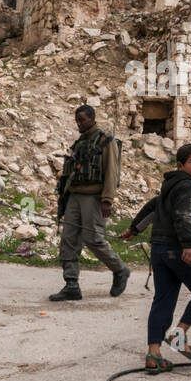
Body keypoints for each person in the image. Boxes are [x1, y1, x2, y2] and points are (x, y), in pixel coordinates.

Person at [120, 143, 191, 374]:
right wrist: (189, 245)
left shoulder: (169, 187)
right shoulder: (189, 188)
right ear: (181, 165)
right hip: (176, 249)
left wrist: (134, 229)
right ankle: (177, 334)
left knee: (163, 299)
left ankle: (153, 354)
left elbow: (152, 208)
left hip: (159, 251)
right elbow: (186, 215)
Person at [50, 104, 129, 301]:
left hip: (94, 197)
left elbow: (112, 171)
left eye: (82, 120)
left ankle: (120, 269)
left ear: (92, 119)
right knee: (69, 239)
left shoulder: (105, 141)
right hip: (75, 196)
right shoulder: (80, 143)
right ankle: (71, 284)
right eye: (77, 120)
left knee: (93, 238)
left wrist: (107, 199)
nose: (79, 124)